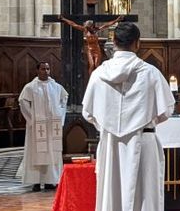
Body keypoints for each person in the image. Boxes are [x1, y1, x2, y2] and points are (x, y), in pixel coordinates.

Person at [82, 22, 175, 211]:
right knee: (145, 198)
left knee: (111, 197)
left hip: (111, 143)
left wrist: (109, 126)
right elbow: (166, 110)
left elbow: (88, 113)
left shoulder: (98, 74)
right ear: (137, 43)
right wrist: (144, 122)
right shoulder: (150, 73)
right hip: (144, 142)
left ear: (113, 43)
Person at [18, 61, 68, 191]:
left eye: (48, 68)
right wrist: (32, 119)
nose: (46, 71)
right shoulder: (30, 87)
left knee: (52, 152)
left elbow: (64, 99)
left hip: (52, 126)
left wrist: (59, 114)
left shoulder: (56, 86)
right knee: (36, 153)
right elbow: (22, 101)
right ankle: (35, 181)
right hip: (37, 127)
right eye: (43, 69)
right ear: (37, 71)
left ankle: (50, 180)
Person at [58, 14, 124, 76]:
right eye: (87, 27)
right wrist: (64, 19)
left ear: (92, 26)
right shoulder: (85, 30)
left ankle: (99, 77)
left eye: (89, 27)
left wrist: (117, 20)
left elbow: (107, 25)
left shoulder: (97, 30)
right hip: (90, 49)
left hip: (96, 49)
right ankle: (91, 79)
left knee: (97, 65)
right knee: (92, 65)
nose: (89, 28)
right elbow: (73, 24)